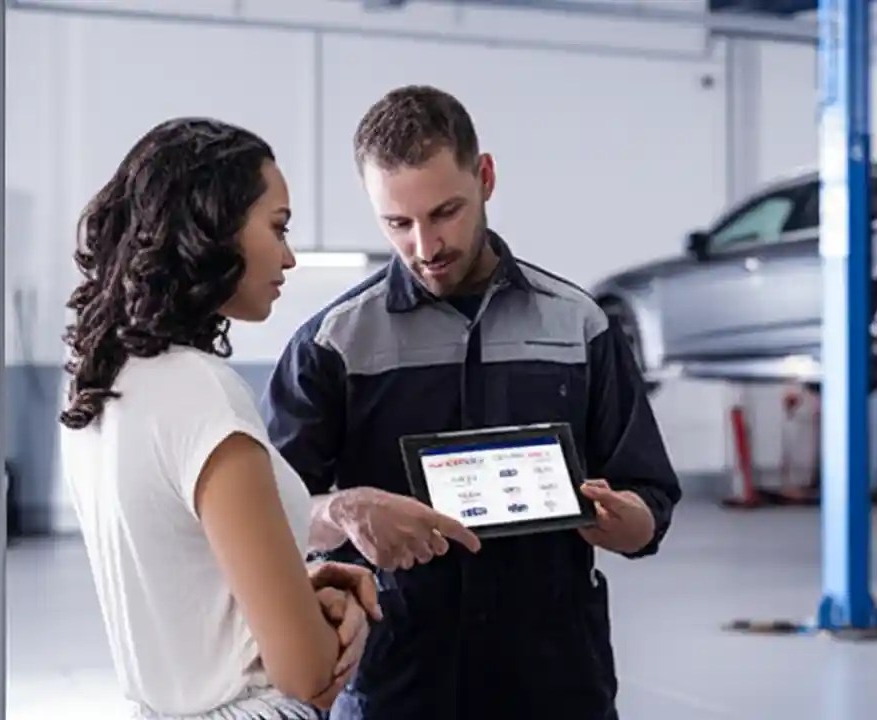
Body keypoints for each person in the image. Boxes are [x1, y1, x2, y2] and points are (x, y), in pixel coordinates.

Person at [261, 84, 683, 719]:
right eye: (397, 224)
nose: (426, 247)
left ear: (485, 177)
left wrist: (621, 519)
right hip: (400, 687)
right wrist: (345, 512)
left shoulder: (581, 327)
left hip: (557, 683)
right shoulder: (334, 345)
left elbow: (648, 504)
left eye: (445, 212)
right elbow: (272, 519)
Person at [58, 117, 384, 719]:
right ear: (212, 227)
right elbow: (307, 673)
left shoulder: (103, 384)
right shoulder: (201, 393)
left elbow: (185, 593)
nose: (288, 256)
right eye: (278, 228)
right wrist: (353, 616)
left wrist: (298, 586)